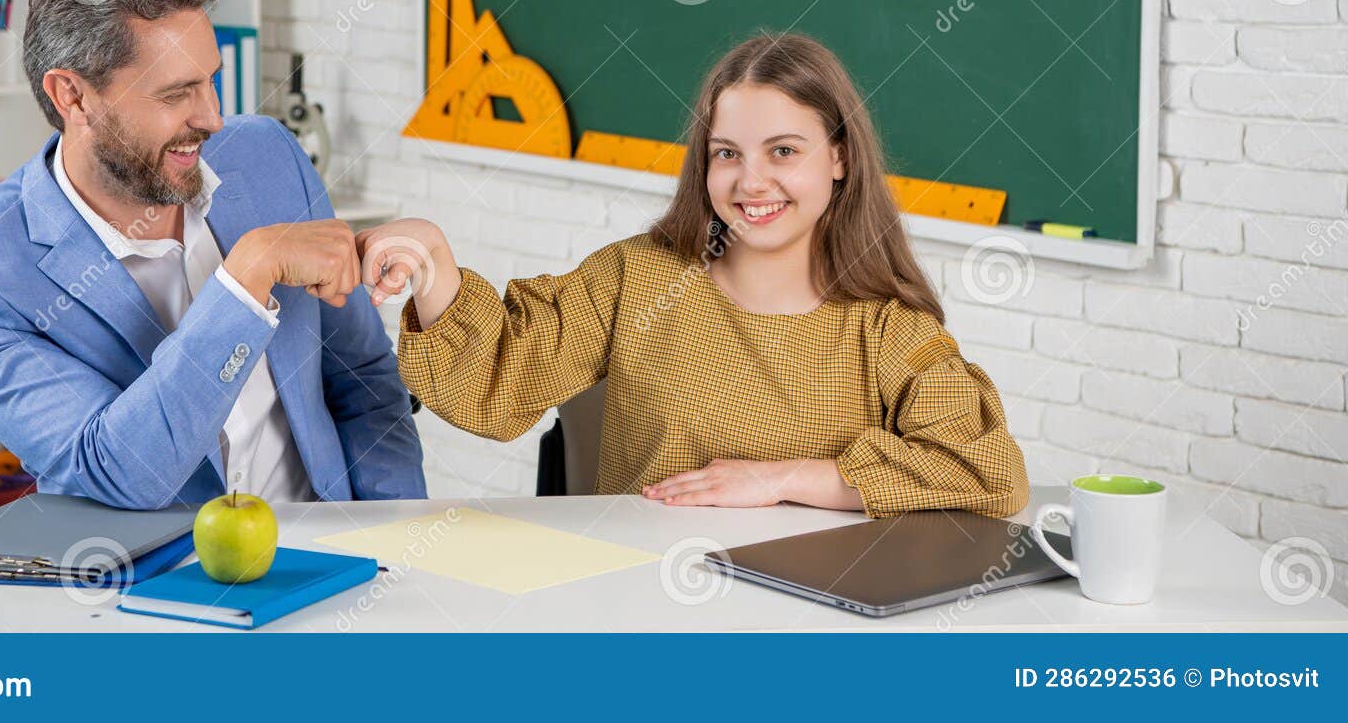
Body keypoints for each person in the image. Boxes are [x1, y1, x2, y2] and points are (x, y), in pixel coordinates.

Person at [357, 33, 1028, 518]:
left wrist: (781, 480)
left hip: (817, 621)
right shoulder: (638, 278)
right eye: (727, 153)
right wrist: (435, 265)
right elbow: (500, 382)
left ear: (840, 159)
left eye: (784, 151)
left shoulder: (887, 326)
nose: (751, 180)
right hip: (640, 606)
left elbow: (985, 470)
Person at [0, 0, 424, 509]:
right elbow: (119, 472)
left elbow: (365, 381)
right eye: (177, 93)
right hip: (145, 585)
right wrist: (246, 279)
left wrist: (396, 537)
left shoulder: (269, 159)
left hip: (332, 561)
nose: (212, 118)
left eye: (211, 79)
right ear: (73, 97)